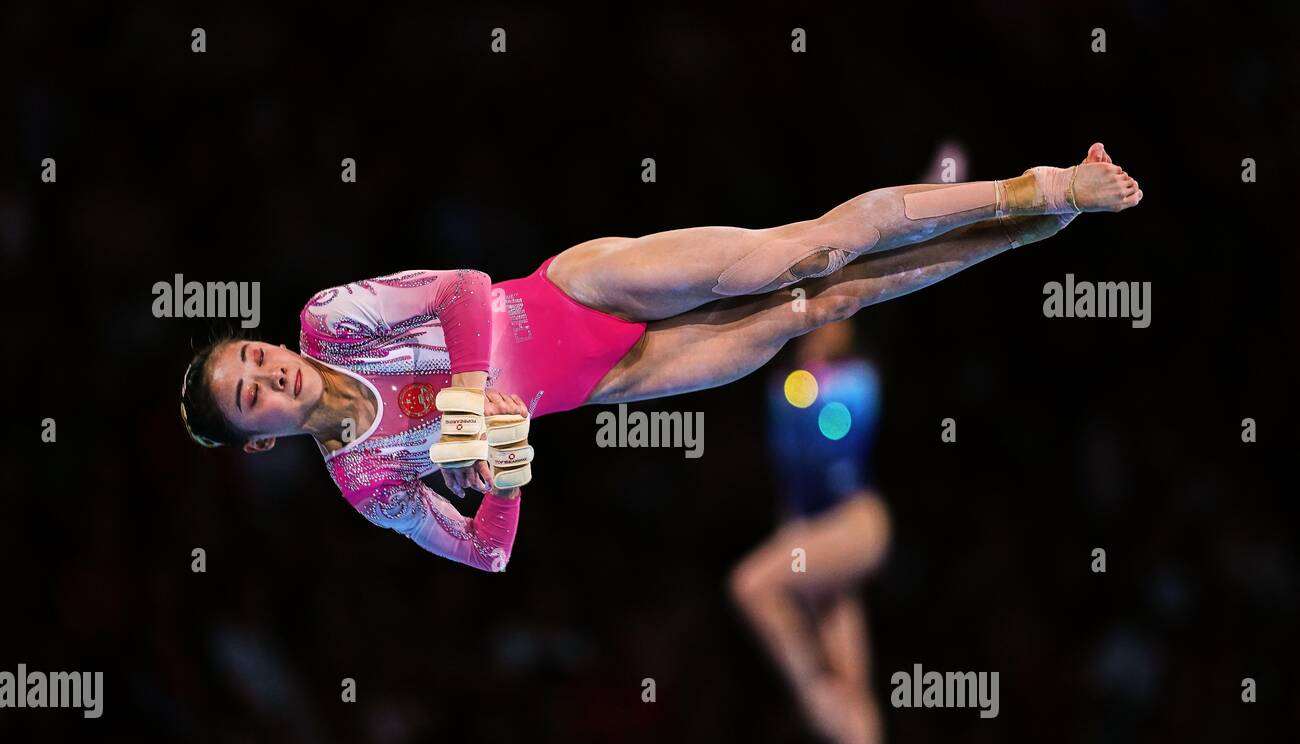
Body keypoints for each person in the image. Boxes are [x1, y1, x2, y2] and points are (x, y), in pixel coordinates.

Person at [179, 144, 1139, 571]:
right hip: (619, 379)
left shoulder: (334, 322)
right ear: (260, 442)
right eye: (252, 400)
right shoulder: (367, 481)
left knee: (805, 252)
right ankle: (1035, 231)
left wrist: (475, 388)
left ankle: (1042, 182)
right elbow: (485, 549)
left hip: (580, 291)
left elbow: (464, 288)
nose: (271, 377)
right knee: (832, 301)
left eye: (253, 360)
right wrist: (506, 475)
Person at [730, 321, 889, 744]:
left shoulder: (858, 380)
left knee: (752, 584)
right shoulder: (786, 385)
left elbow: (833, 440)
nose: (830, 325)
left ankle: (811, 692)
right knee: (852, 679)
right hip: (810, 532)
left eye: (842, 318)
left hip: (854, 525)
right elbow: (792, 474)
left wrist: (804, 386)